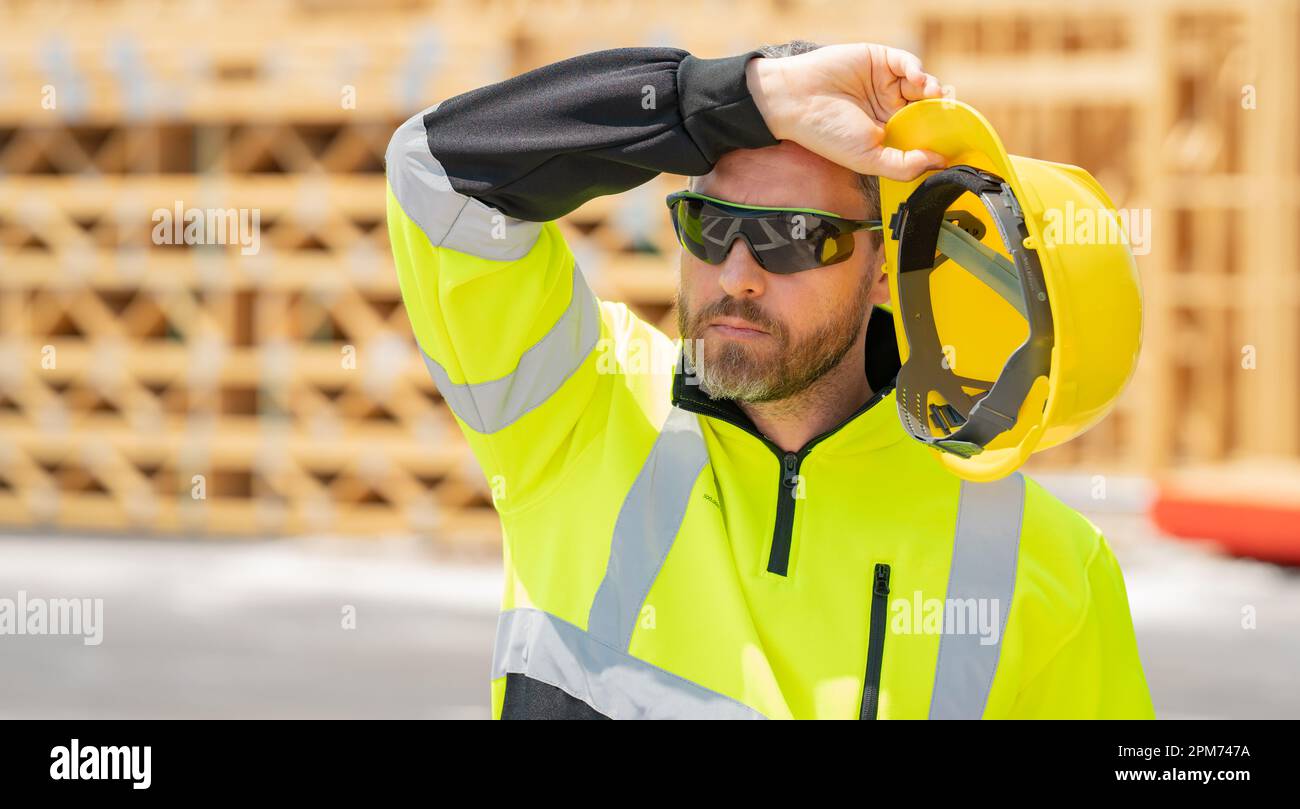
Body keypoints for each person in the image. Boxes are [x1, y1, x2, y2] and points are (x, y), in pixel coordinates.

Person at [385, 39, 1155, 719]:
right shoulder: (581, 400)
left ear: (887, 266)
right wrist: (744, 98)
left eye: (793, 237)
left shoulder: (1044, 565)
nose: (737, 273)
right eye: (708, 226)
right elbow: (437, 176)